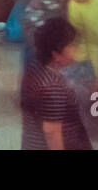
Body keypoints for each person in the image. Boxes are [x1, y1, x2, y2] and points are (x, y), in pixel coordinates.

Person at [21, 17, 93, 150]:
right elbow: (52, 132)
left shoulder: (36, 68)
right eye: (71, 45)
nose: (76, 48)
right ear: (56, 55)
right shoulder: (52, 87)